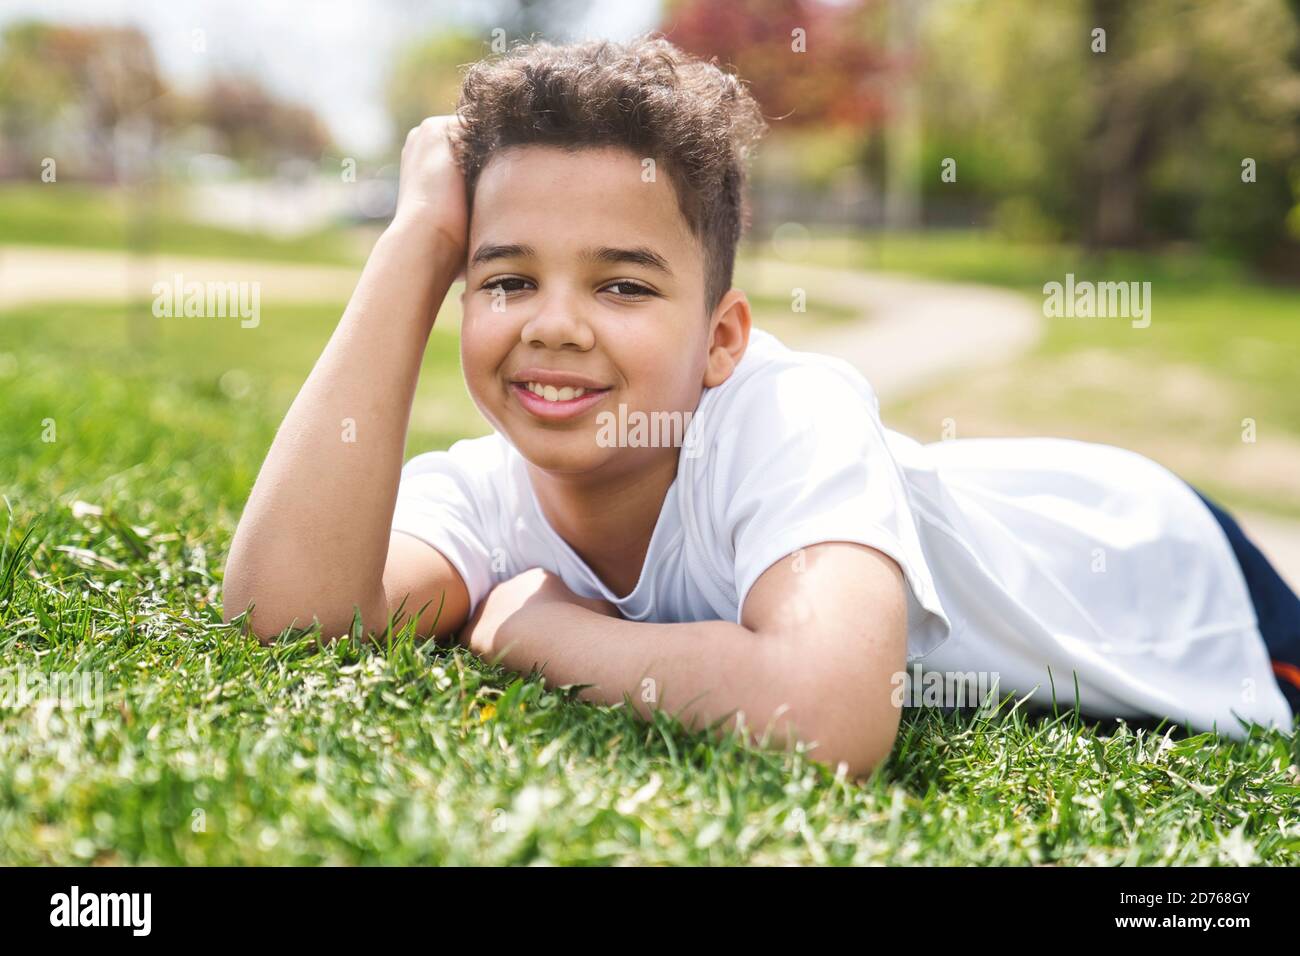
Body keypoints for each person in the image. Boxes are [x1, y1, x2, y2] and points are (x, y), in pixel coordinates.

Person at [222, 36, 1298, 778]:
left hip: (1166, 570)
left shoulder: (790, 412)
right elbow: (286, 617)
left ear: (722, 337)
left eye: (622, 284)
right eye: (505, 279)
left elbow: (826, 713)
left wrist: (543, 629)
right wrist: (417, 242)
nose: (552, 323)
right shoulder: (484, 491)